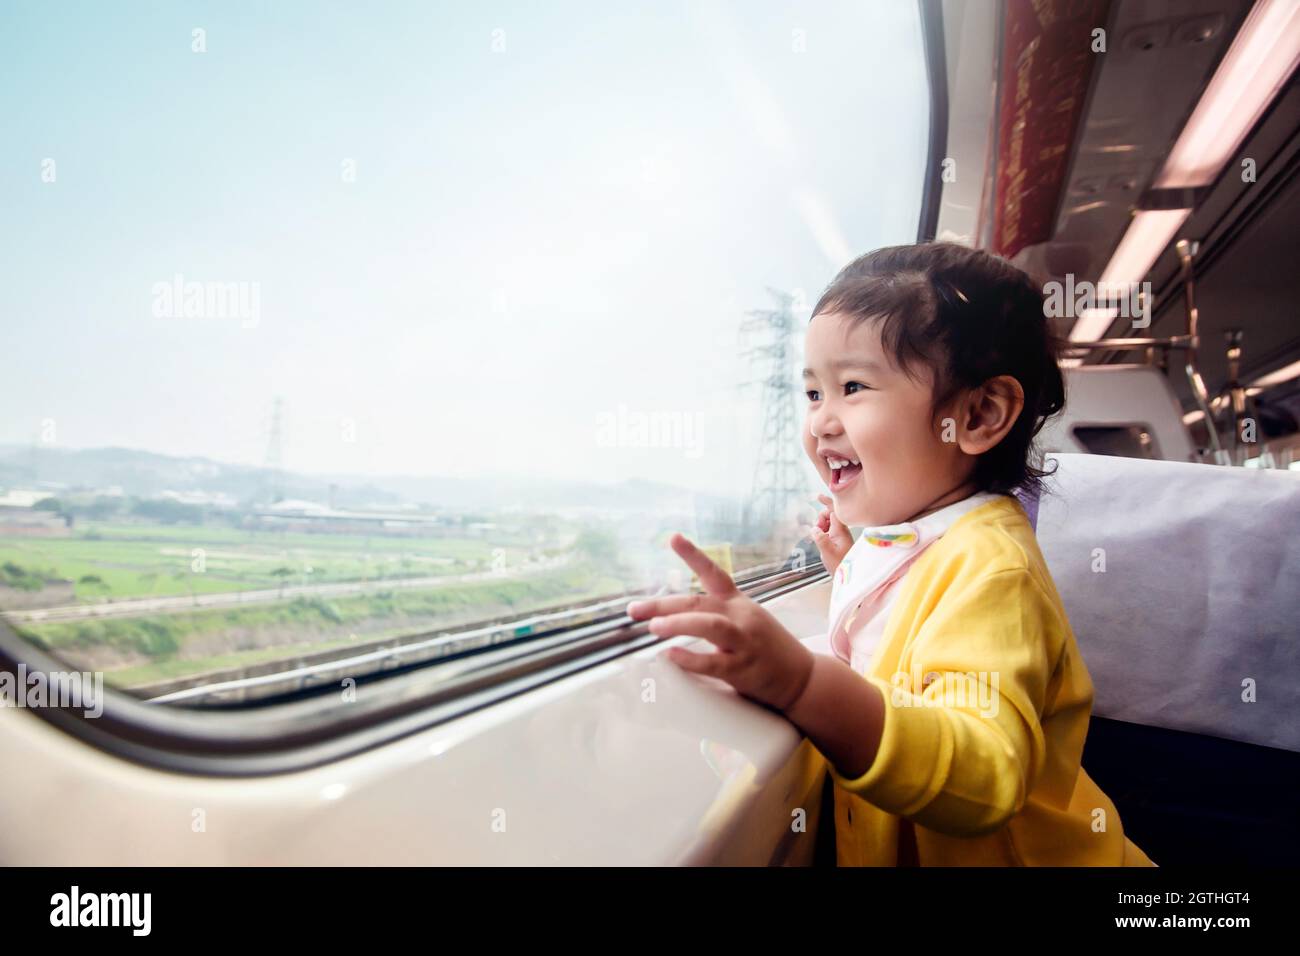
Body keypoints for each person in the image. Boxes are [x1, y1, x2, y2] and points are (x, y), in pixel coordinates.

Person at [626, 241, 1154, 866]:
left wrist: (800, 683)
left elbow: (985, 776)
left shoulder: (995, 569)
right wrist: (853, 569)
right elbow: (911, 647)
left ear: (979, 414)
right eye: (813, 393)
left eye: (853, 387)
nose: (821, 422)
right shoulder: (929, 543)